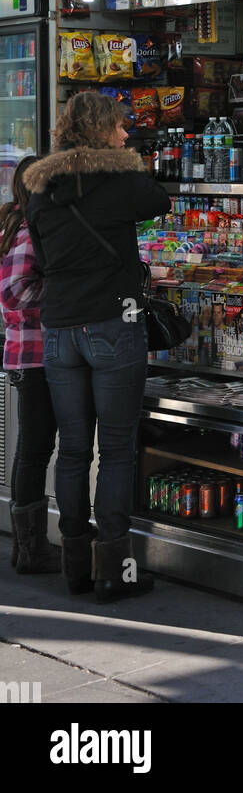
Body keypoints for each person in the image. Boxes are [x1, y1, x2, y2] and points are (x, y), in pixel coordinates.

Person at [24, 91, 170, 602]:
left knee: (71, 452)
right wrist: (126, 165)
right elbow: (159, 200)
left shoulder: (38, 184)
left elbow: (41, 256)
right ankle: (114, 571)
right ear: (101, 130)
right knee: (115, 451)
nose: (127, 134)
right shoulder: (119, 180)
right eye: (120, 127)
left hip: (60, 329)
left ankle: (73, 568)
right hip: (113, 323)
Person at [0, 156, 60, 575]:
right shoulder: (27, 230)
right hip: (33, 355)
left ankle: (27, 548)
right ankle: (32, 549)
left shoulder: (19, 223)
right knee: (35, 450)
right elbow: (14, 294)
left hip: (29, 354)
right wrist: (65, 287)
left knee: (32, 450)